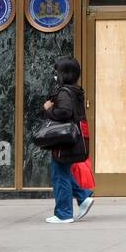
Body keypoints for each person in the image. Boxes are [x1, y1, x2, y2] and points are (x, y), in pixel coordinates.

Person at [42, 57, 94, 223]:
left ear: (64, 74)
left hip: (64, 141)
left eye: (57, 72)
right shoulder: (75, 90)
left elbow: (64, 112)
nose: (55, 75)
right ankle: (83, 196)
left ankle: (64, 214)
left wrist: (48, 110)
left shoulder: (64, 92)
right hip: (74, 139)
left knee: (59, 175)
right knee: (64, 171)